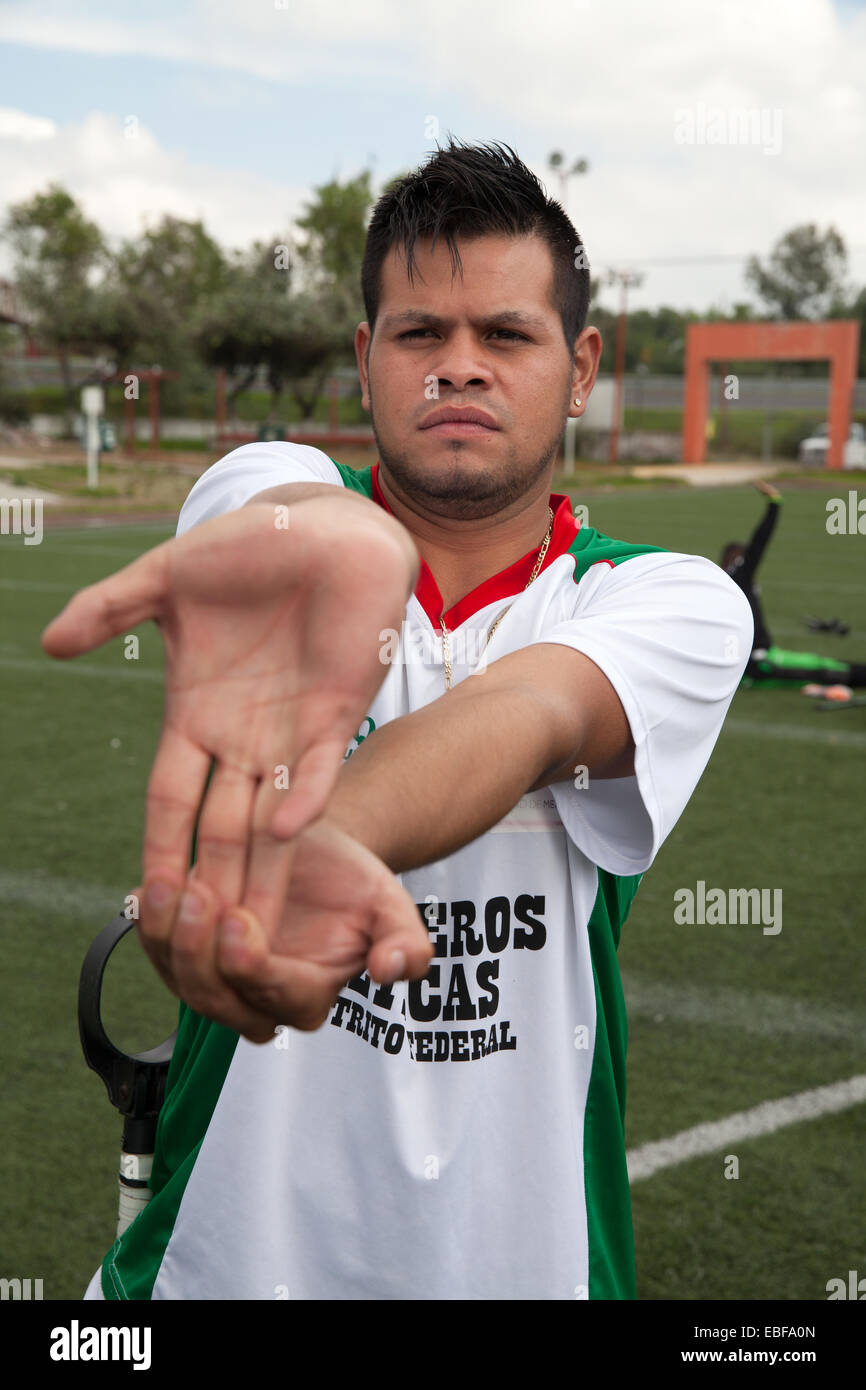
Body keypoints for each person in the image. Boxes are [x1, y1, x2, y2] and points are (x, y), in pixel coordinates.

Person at [45, 139, 752, 1301]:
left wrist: (295, 848)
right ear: (367, 358)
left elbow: (529, 707)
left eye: (505, 336)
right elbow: (280, 515)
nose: (457, 368)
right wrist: (345, 545)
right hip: (210, 1274)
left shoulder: (665, 600)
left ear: (578, 368)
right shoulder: (265, 492)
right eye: (420, 335)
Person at [721, 480, 866, 691]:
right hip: (760, 663)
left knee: (818, 665)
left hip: (756, 660)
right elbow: (758, 542)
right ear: (736, 560)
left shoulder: (728, 583)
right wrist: (774, 503)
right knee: (823, 671)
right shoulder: (738, 575)